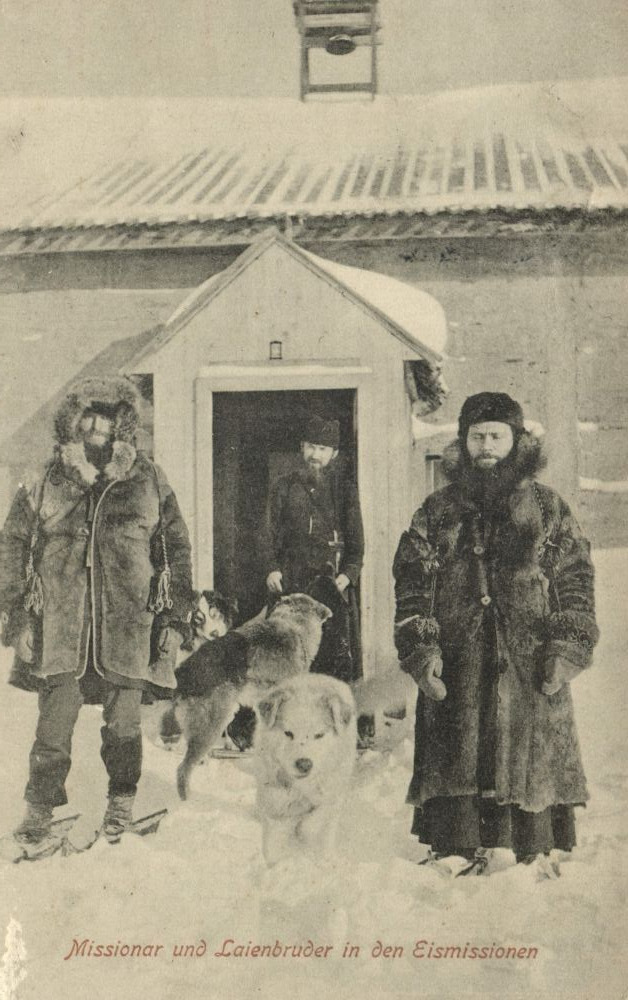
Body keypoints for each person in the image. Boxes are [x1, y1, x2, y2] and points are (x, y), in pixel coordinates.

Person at [392, 392, 599, 875]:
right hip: (458, 655)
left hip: (529, 658)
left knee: (526, 749)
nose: (486, 445)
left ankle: (527, 847)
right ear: (464, 442)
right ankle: (457, 845)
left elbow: (574, 578)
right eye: (477, 436)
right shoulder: (438, 509)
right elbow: (412, 581)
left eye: (496, 436)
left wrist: (568, 647)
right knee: (457, 744)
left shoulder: (547, 507)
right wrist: (422, 647)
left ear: (515, 439)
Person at [0, 376, 195, 846]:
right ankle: (39, 810)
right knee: (54, 722)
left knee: (124, 723)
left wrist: (172, 619)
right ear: (73, 421)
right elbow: (12, 545)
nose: (96, 428)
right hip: (62, 626)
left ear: (122, 423)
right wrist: (19, 617)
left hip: (128, 626)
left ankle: (121, 803)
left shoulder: (148, 478)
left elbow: (176, 549)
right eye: (87, 416)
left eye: (106, 418)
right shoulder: (48, 477)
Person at [260, 414, 364, 683]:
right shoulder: (284, 486)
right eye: (311, 447)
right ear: (302, 447)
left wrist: (347, 577)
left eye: (322, 449)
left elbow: (357, 547)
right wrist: (272, 570)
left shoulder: (345, 490)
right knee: (288, 659)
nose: (315, 455)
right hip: (291, 582)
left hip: (331, 586)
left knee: (332, 662)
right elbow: (266, 533)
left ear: (334, 453)